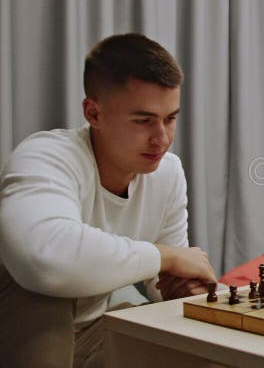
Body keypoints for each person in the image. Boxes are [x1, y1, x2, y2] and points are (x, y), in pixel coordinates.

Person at [0, 33, 217, 367]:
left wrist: (181, 288)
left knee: (192, 346)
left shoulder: (168, 173)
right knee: (45, 295)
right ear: (94, 113)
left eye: (170, 118)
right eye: (143, 120)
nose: (162, 138)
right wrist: (167, 257)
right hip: (21, 327)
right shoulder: (46, 155)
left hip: (93, 329)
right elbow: (43, 260)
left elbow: (165, 281)